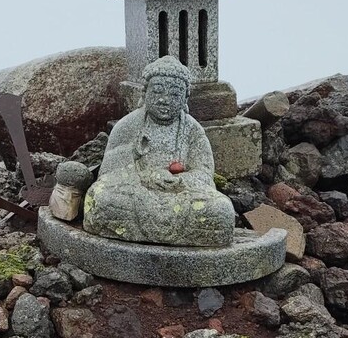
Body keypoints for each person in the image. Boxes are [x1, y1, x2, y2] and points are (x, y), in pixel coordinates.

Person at [82, 55, 236, 248]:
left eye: (174, 94)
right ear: (145, 93)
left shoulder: (192, 129)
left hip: (181, 195)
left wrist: (179, 181)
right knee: (101, 199)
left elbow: (205, 174)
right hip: (137, 190)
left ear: (185, 97)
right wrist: (138, 162)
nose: (165, 100)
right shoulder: (128, 125)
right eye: (157, 92)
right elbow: (107, 174)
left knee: (221, 210)